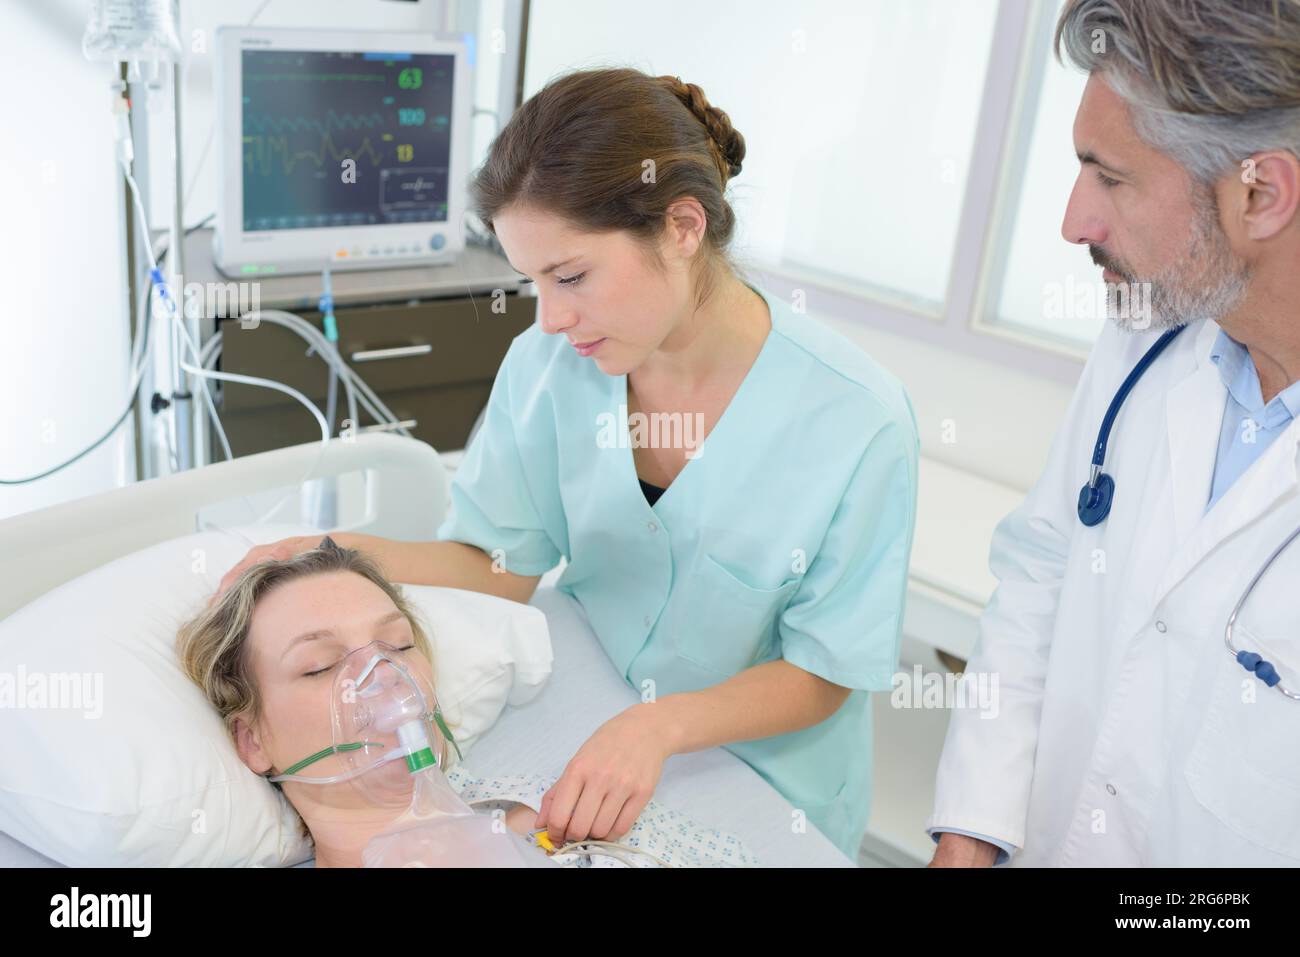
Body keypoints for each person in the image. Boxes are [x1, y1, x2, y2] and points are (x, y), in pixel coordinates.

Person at [215, 66, 919, 860]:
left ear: (683, 227)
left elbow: (825, 670)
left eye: (571, 276)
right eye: (531, 283)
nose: (550, 319)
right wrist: (332, 553)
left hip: (772, 779)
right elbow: (498, 565)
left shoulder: (855, 420)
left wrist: (659, 726)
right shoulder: (550, 368)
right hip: (585, 720)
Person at [928, 0, 1300, 866]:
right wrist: (971, 831)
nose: (1074, 222)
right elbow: (1043, 570)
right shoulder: (1149, 331)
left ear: (1264, 193)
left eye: (1112, 177)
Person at [181, 538, 756, 867]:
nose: (383, 678)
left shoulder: (581, 818)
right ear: (253, 741)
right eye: (321, 665)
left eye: (399, 645)